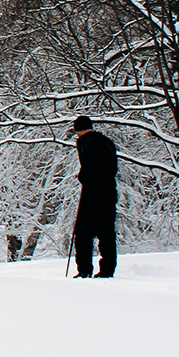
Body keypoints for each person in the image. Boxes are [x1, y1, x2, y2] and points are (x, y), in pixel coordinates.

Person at [71, 115, 118, 278]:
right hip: (109, 192)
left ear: (78, 131)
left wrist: (83, 177)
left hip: (92, 193)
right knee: (106, 233)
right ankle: (107, 270)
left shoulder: (85, 143)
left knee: (83, 233)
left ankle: (84, 270)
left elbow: (90, 167)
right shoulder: (107, 141)